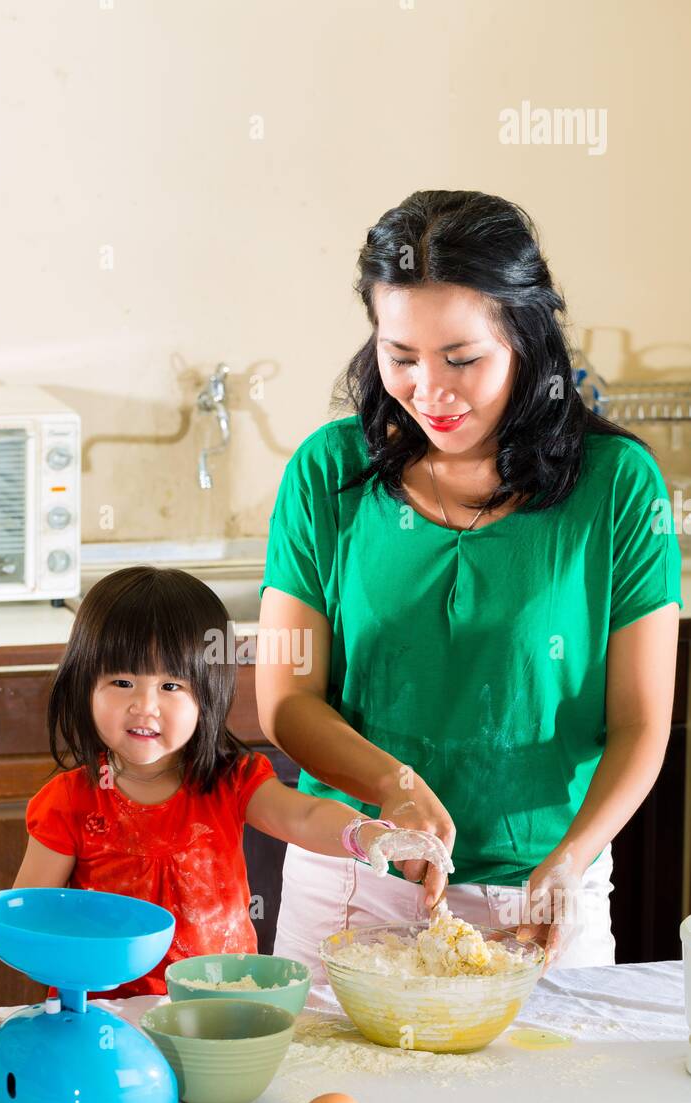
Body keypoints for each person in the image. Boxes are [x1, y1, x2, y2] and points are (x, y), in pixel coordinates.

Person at [257, 189, 683, 1001]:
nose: (430, 390)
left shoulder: (619, 487)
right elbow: (287, 701)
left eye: (462, 358)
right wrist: (396, 788)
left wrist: (569, 862)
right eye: (401, 354)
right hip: (351, 878)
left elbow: (641, 723)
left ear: (525, 335)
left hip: (541, 898)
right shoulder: (325, 474)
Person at [12, 565, 402, 999]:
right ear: (85, 687)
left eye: (171, 685)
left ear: (207, 694)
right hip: (106, 1019)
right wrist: (72, 963)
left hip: (223, 1009)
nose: (144, 705)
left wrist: (363, 834)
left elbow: (305, 815)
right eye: (122, 682)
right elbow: (30, 919)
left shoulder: (230, 783)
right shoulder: (68, 802)